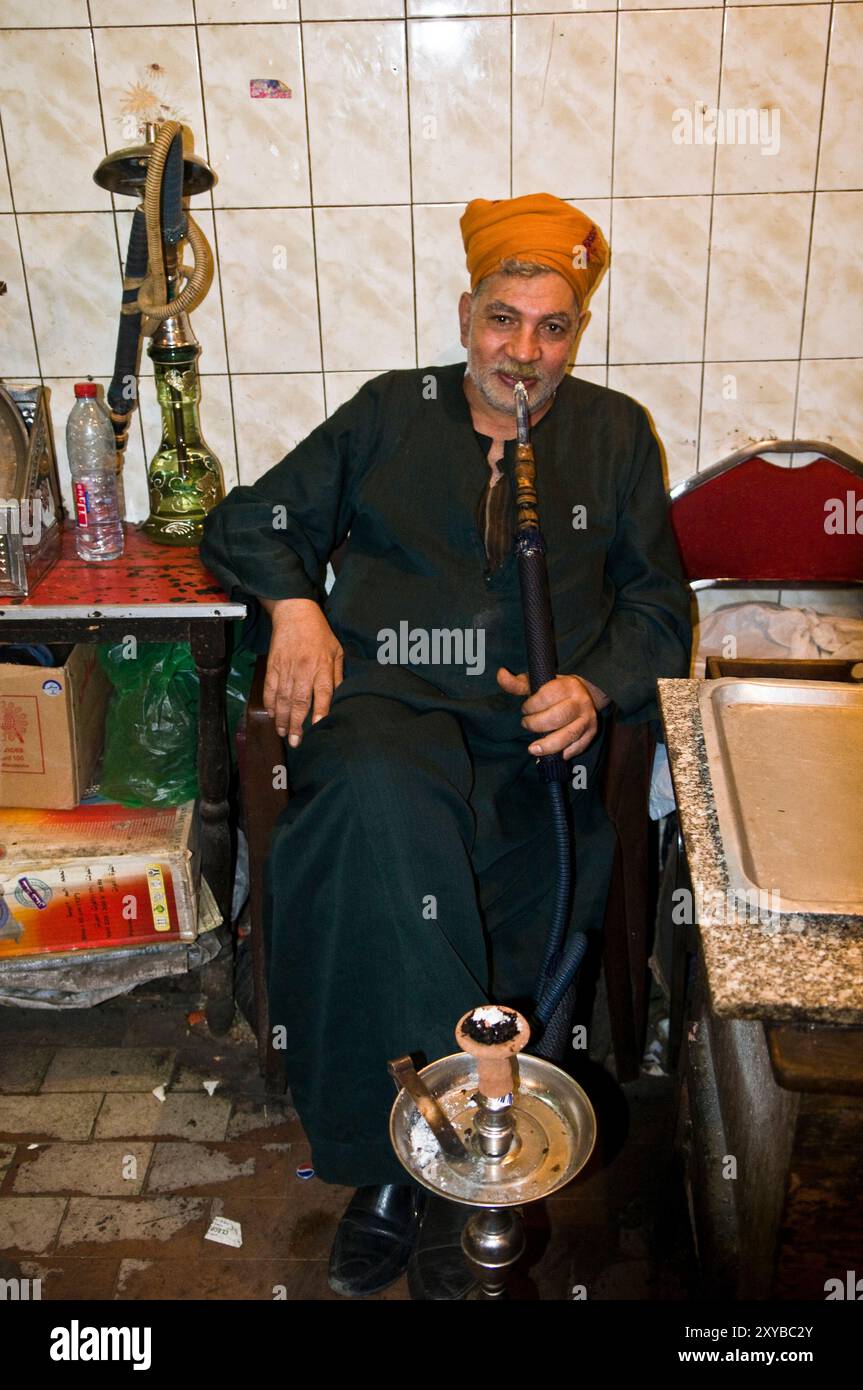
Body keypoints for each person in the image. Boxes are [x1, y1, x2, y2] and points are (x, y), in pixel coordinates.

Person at [199, 192, 692, 1301]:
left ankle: (461, 1170)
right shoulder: (392, 409)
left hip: (533, 743)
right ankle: (404, 1164)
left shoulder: (614, 433)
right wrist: (294, 606)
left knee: (535, 879)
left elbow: (659, 609)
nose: (523, 350)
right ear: (466, 314)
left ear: (576, 332)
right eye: (502, 319)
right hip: (387, 717)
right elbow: (249, 521)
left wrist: (591, 686)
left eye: (551, 327)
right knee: (378, 814)